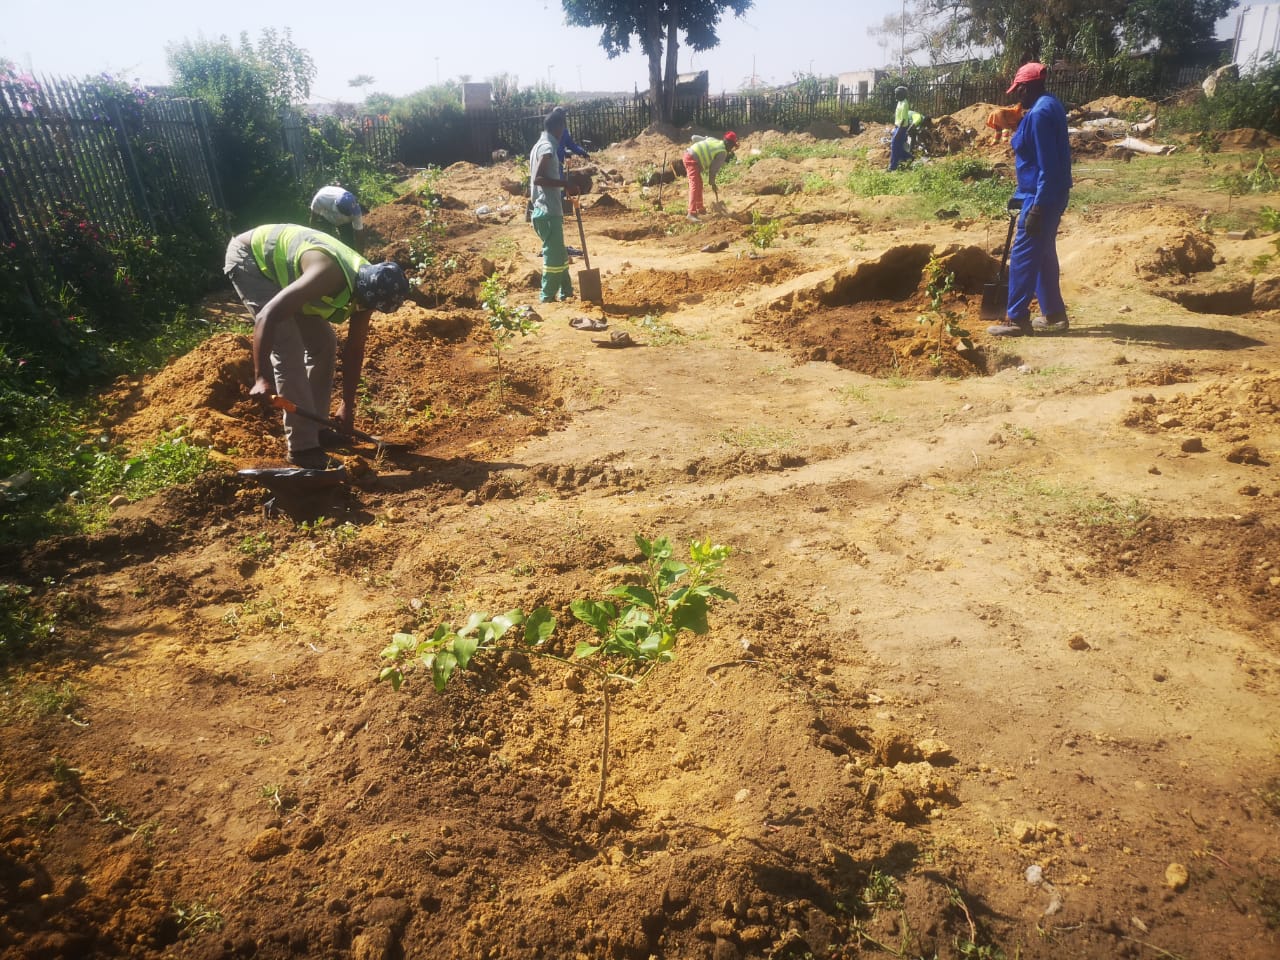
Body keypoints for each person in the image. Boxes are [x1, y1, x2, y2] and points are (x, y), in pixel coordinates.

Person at [224, 224, 409, 468]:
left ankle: (319, 429)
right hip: (253, 261)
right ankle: (302, 448)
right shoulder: (327, 274)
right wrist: (261, 377)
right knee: (288, 346)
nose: (366, 308)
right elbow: (267, 315)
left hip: (291, 276)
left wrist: (348, 405)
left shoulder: (371, 288)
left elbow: (354, 349)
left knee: (324, 342)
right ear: (361, 288)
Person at [988, 62, 1072, 337]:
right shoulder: (1050, 104)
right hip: (1044, 193)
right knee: (1043, 254)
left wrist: (1036, 206)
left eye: (1019, 90)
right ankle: (1054, 316)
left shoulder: (1038, 115)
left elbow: (1047, 166)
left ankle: (1016, 319)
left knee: (1023, 255)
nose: (1017, 96)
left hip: (1042, 196)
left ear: (1026, 86)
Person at [529, 109, 576, 303]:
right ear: (559, 128)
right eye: (563, 128)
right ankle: (547, 297)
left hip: (545, 210)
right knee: (554, 256)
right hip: (548, 211)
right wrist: (565, 184)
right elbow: (539, 178)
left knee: (559, 253)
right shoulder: (547, 147)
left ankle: (567, 292)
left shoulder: (538, 145)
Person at [683, 131, 737, 221]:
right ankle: (691, 213)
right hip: (692, 160)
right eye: (732, 145)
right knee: (695, 185)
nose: (731, 148)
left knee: (699, 184)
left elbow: (694, 138)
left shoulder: (713, 140)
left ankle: (700, 209)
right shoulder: (722, 152)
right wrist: (712, 183)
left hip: (690, 155)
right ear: (728, 143)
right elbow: (713, 170)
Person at [309, 185, 365, 251]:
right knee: (326, 241)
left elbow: (359, 233)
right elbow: (313, 220)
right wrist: (313, 237)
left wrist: (360, 254)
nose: (352, 215)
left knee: (348, 242)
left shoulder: (355, 209)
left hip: (340, 218)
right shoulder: (320, 199)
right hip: (324, 216)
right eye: (349, 214)